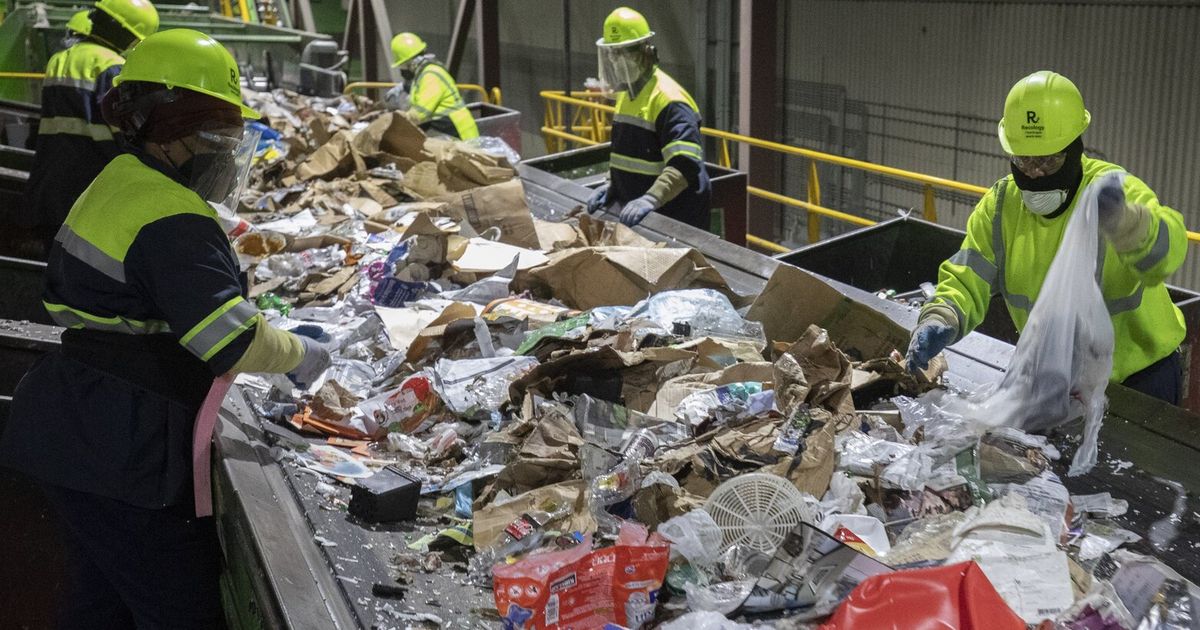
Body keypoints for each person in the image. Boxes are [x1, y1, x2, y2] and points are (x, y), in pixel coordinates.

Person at [0, 29, 332, 627]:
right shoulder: (172, 216)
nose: (226, 155)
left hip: (73, 425)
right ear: (177, 132)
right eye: (219, 138)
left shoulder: (120, 178)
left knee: (101, 603)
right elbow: (231, 341)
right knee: (180, 610)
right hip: (119, 445)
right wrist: (303, 354)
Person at [906, 70, 1187, 404]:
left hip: (1139, 379)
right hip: (1060, 379)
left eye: (1049, 161)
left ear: (1075, 147)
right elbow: (967, 280)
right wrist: (942, 316)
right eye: (1023, 160)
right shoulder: (1000, 208)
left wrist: (1130, 225)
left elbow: (1167, 254)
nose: (1034, 172)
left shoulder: (1113, 194)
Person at [22, 0, 159, 256]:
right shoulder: (110, 66)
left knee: (57, 267)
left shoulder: (60, 60)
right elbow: (124, 131)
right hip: (90, 187)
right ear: (124, 32)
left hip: (51, 185)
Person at [586, 6, 711, 229]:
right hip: (640, 216)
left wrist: (650, 199)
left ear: (645, 51)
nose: (617, 61)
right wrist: (610, 184)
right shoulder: (628, 95)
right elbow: (623, 153)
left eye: (623, 53)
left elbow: (684, 164)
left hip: (674, 217)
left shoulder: (669, 101)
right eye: (612, 54)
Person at [389, 32, 479, 140]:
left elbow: (420, 113)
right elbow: (418, 94)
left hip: (460, 133)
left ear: (411, 63)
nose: (402, 70)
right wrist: (404, 87)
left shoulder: (430, 76)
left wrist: (395, 123)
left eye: (402, 65)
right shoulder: (424, 74)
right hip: (449, 129)